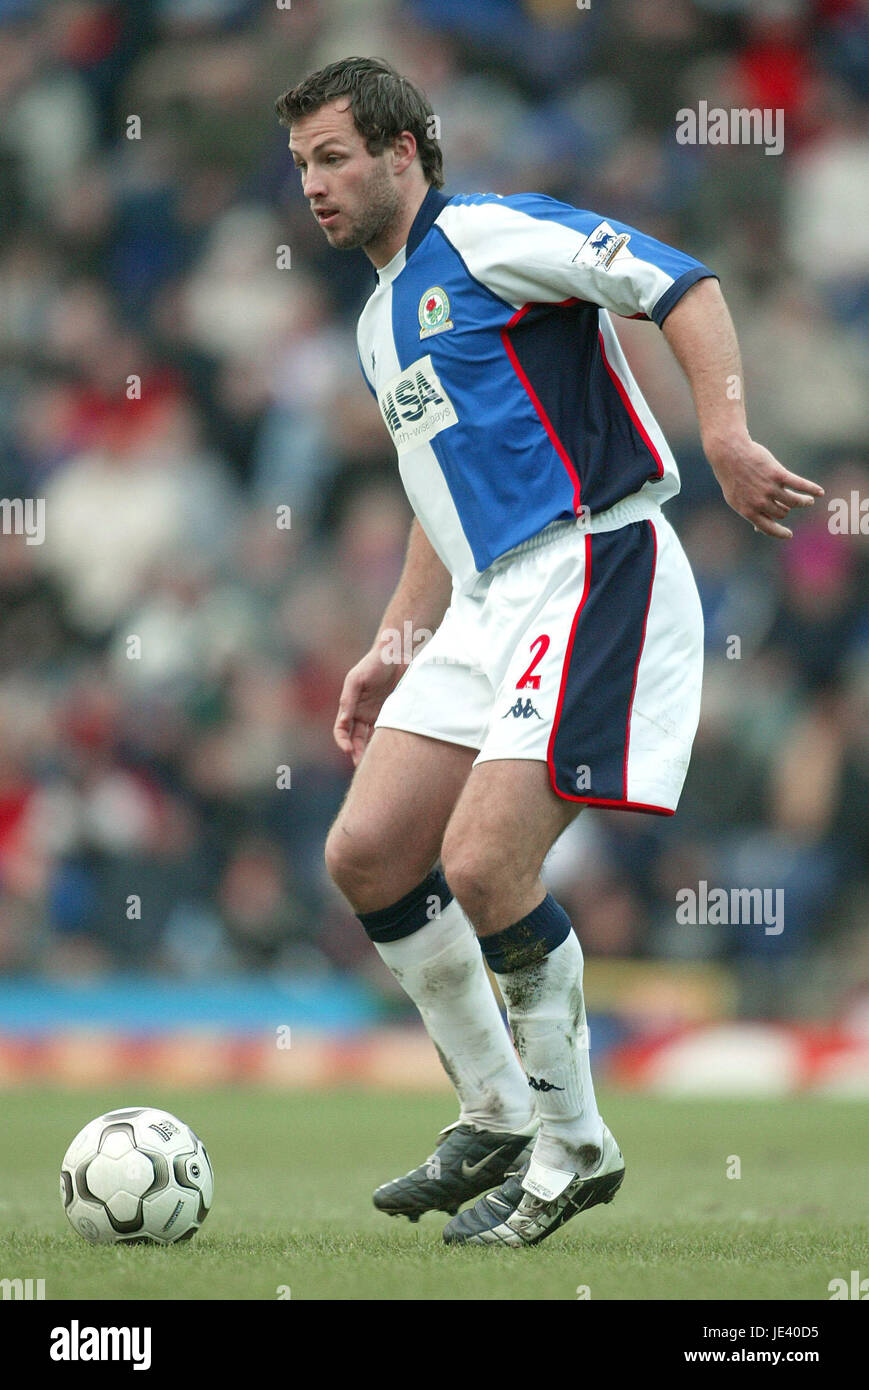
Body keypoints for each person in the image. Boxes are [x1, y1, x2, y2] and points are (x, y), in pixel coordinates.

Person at [275, 57, 823, 1247]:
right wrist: (392, 643)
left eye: (333, 157)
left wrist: (721, 430)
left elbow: (678, 285)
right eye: (301, 165)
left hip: (590, 561)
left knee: (480, 863)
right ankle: (493, 1111)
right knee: (367, 852)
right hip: (480, 601)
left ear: (405, 150)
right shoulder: (378, 318)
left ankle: (572, 1144)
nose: (312, 186)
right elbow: (439, 498)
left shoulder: (486, 233)